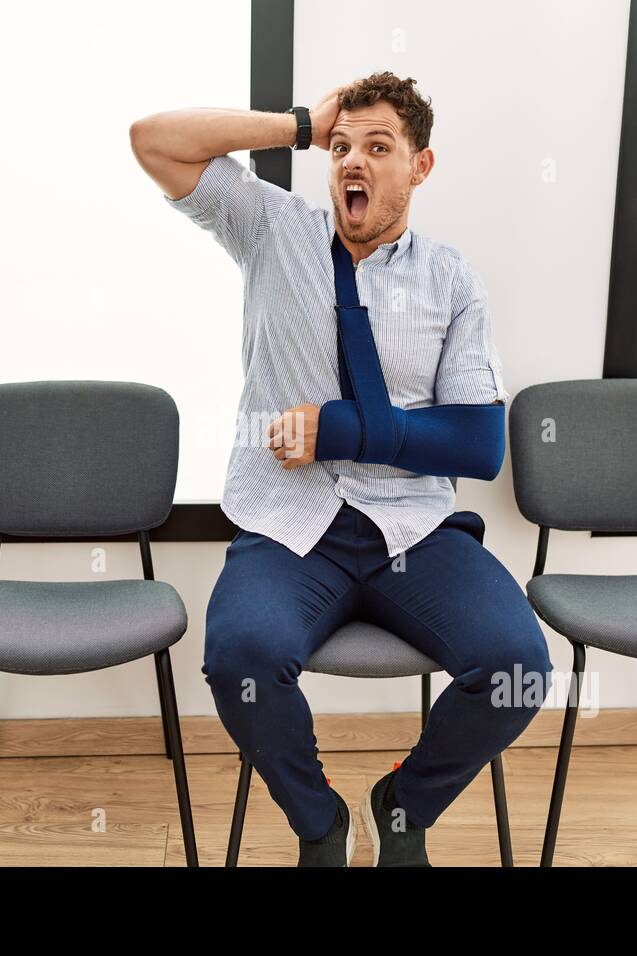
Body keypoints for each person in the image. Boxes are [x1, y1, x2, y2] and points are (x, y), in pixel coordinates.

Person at [130, 71, 552, 866]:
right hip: (291, 524)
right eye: (344, 148)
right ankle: (317, 818)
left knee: (518, 670)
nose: (354, 163)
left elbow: (477, 445)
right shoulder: (271, 230)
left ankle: (403, 804)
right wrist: (298, 124)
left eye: (380, 148)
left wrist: (345, 430)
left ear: (421, 167)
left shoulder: (451, 279)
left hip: (413, 530)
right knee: (239, 659)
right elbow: (152, 140)